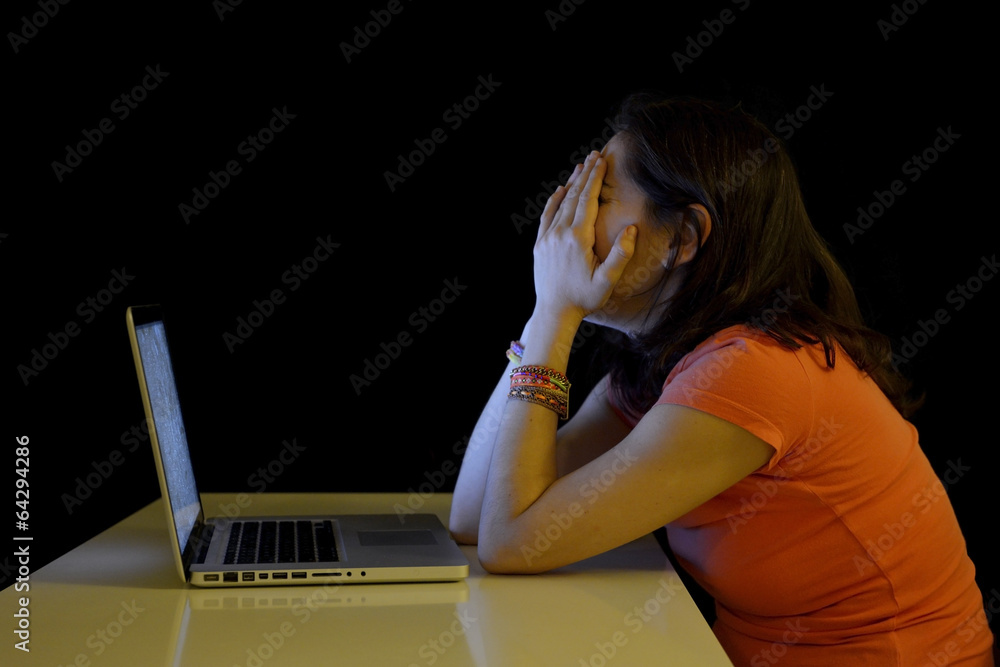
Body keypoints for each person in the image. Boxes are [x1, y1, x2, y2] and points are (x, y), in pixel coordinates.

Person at [448, 93, 995, 665]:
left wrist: (558, 315)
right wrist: (544, 318)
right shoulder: (667, 361)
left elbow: (510, 542)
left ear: (683, 237)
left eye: (598, 196)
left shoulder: (751, 371)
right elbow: (473, 516)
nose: (564, 222)